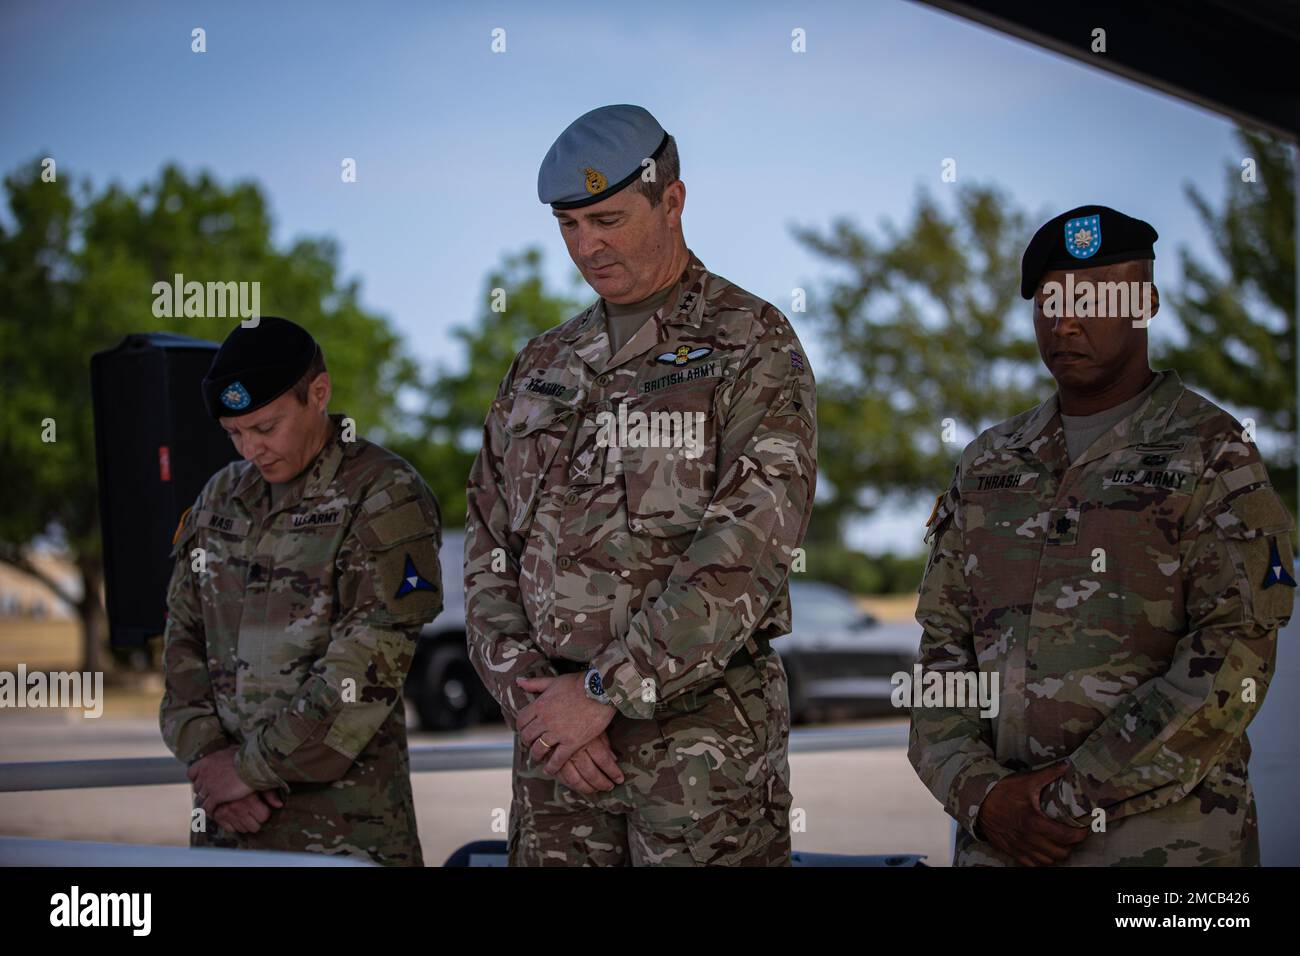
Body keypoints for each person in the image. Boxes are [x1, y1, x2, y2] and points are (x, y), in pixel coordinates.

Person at [464, 104, 818, 865]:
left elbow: (749, 546)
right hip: (555, 751)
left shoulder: (751, 342)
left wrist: (600, 692)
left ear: (673, 201)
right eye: (568, 225)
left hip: (697, 752)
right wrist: (534, 701)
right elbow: (488, 541)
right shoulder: (543, 362)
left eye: (607, 219)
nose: (586, 246)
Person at [908, 205, 1295, 866]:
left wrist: (1061, 799)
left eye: (1092, 297)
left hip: (1162, 852)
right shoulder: (988, 463)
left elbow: (1234, 658)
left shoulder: (1213, 454)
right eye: (1048, 301)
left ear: (1144, 302)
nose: (1065, 321)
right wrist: (982, 797)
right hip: (1000, 844)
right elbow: (944, 652)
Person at [160, 316, 442, 866]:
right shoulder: (219, 498)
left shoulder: (383, 492)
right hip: (226, 830)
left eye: (265, 428)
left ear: (318, 393)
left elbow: (367, 663)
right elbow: (182, 641)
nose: (250, 450)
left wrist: (244, 772)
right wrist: (210, 757)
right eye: (233, 432)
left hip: (344, 832)